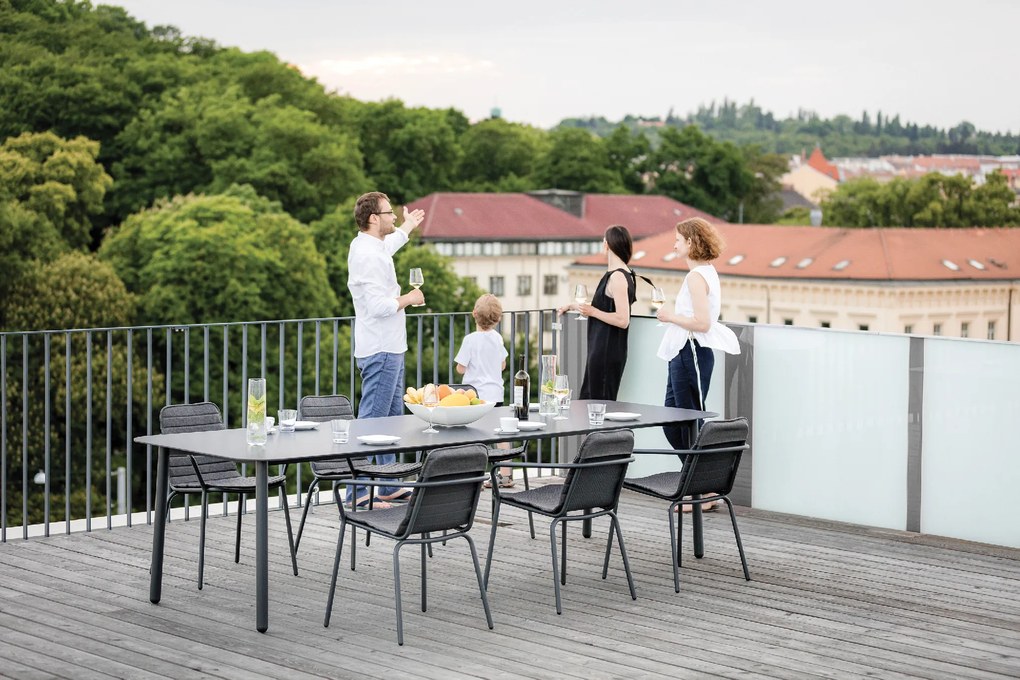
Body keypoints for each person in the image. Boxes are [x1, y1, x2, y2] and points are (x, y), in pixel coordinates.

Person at [655, 217, 740, 512]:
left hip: (691, 350)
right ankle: (701, 487)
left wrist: (669, 316)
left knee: (690, 422)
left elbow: (703, 323)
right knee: (672, 421)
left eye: (678, 239)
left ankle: (702, 492)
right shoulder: (704, 273)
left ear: (691, 242)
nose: (674, 244)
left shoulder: (696, 276)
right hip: (683, 351)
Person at [347, 191, 425, 507]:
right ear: (373, 218)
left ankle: (387, 485)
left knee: (390, 421)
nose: (393, 216)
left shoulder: (372, 246)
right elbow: (378, 306)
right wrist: (410, 298)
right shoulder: (366, 255)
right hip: (380, 349)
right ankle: (358, 493)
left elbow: (388, 246)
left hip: (391, 347)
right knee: (372, 424)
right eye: (389, 213)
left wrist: (406, 227)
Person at [558, 225, 638, 400]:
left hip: (606, 352)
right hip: (604, 350)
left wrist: (592, 311)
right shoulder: (623, 274)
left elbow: (623, 319)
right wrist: (573, 306)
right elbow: (604, 308)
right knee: (593, 400)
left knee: (597, 403)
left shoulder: (617, 277)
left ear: (607, 244)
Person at [453, 294, 511, 487]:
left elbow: (460, 368)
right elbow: (503, 364)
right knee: (499, 434)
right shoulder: (498, 338)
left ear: (474, 314)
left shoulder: (470, 340)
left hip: (475, 396)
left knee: (473, 434)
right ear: (498, 319)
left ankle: (473, 473)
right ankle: (505, 474)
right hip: (495, 394)